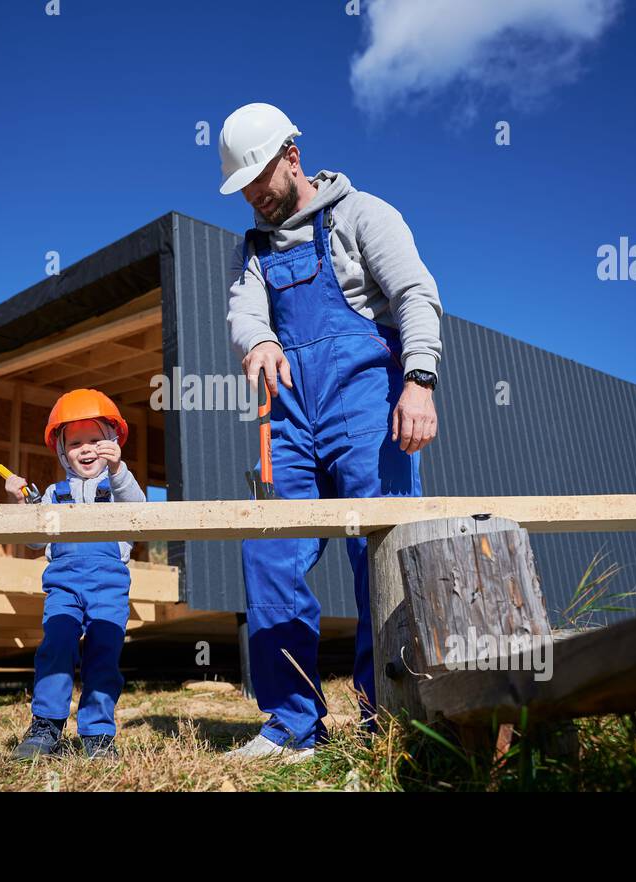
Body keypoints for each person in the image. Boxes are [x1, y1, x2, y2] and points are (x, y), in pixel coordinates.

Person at [218, 102, 443, 761]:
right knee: (268, 552)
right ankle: (293, 725)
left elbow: (415, 295)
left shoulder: (364, 214)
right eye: (243, 185)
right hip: (290, 418)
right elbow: (244, 311)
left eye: (261, 175)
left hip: (367, 406)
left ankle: (388, 720)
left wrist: (420, 380)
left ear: (292, 156)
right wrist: (257, 341)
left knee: (381, 557)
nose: (256, 194)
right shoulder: (251, 250)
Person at [6, 389, 146, 761]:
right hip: (64, 587)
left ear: (113, 443)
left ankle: (98, 735)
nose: (86, 449)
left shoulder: (119, 489)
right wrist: (20, 504)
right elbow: (35, 542)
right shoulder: (53, 493)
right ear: (62, 451)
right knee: (56, 647)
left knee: (103, 653)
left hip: (109, 587)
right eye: (76, 443)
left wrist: (119, 469)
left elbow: (140, 515)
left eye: (96, 440)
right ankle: (46, 726)